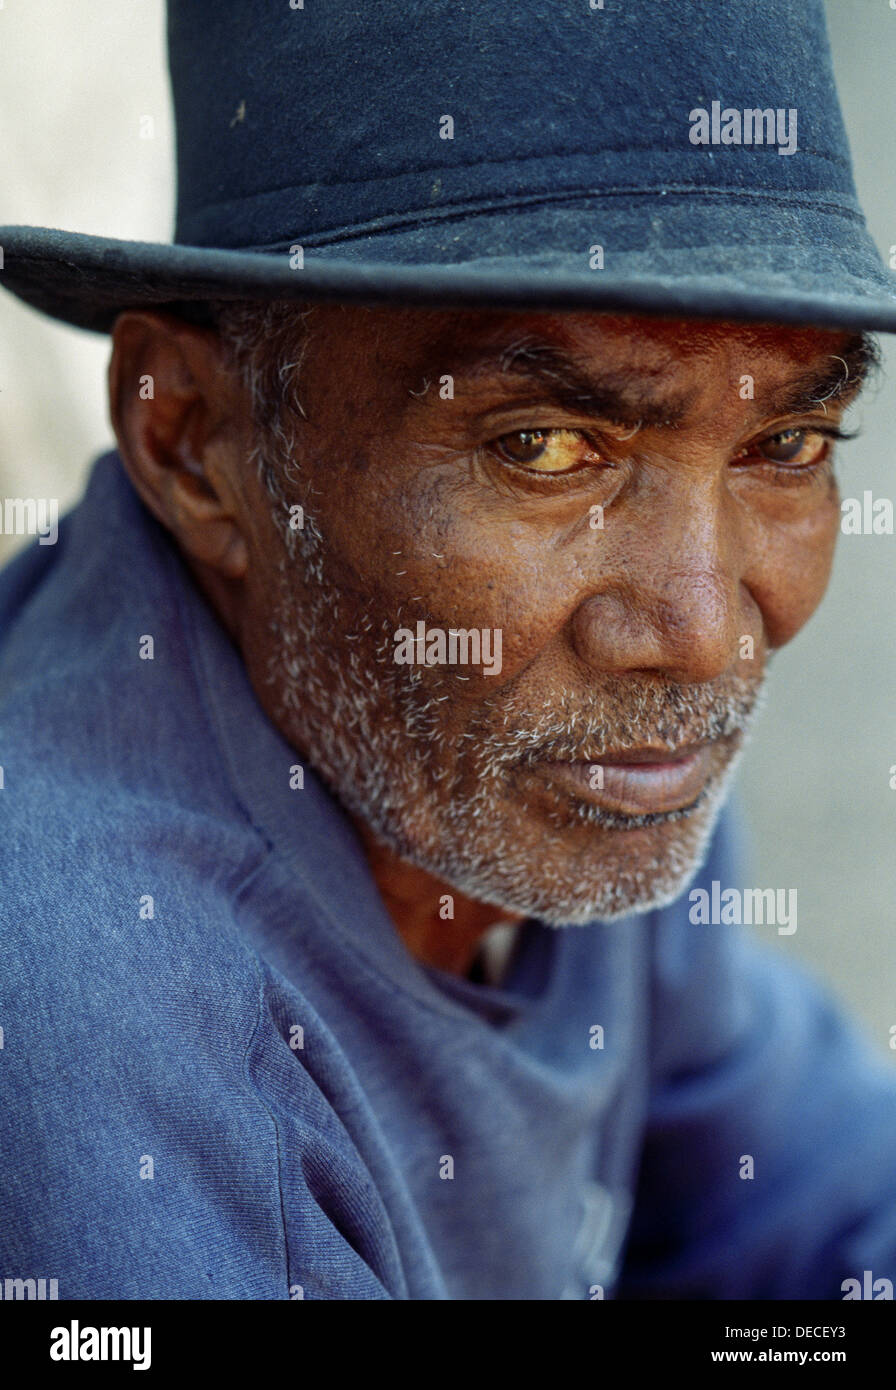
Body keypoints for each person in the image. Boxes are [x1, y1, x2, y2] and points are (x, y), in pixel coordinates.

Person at [1, 0, 895, 1301]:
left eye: (787, 446)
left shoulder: (564, 756)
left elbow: (817, 1196)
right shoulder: (96, 1015)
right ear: (195, 439)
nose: (700, 630)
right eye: (542, 447)